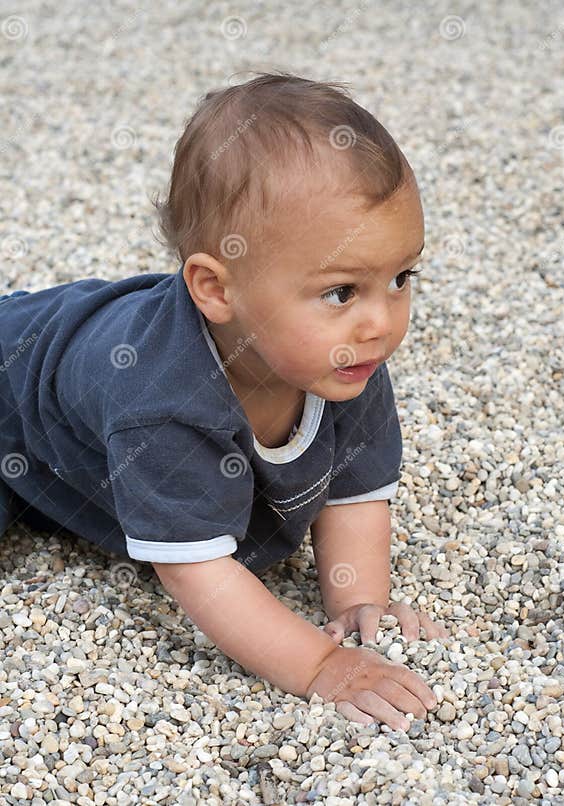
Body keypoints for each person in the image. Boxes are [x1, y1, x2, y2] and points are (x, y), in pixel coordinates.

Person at [0, 71, 448, 729]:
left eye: (401, 278)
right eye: (341, 292)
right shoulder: (163, 398)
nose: (382, 320)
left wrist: (356, 603)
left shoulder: (342, 358)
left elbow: (353, 488)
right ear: (216, 288)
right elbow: (197, 571)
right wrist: (323, 665)